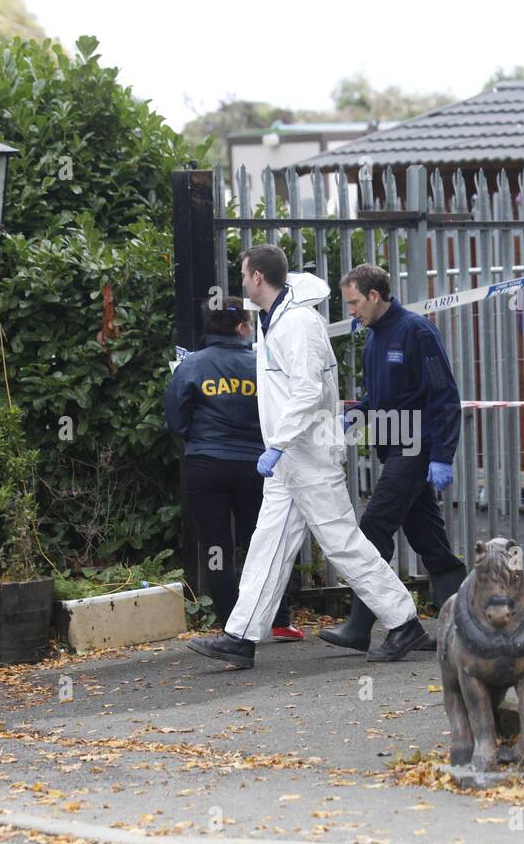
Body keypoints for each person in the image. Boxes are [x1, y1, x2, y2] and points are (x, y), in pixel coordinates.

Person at [185, 245, 430, 670]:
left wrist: (278, 442)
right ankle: (240, 635)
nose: (241, 282)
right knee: (269, 542)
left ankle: (404, 621)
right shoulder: (276, 319)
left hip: (306, 454)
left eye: (244, 274)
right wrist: (279, 448)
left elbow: (307, 390)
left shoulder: (296, 323)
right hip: (291, 456)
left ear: (258, 277)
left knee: (341, 542)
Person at [318, 264, 466, 652]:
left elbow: (444, 396)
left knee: (374, 526)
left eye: (353, 302)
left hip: (416, 447)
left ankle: (366, 626)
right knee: (428, 539)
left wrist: (443, 455)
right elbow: (378, 398)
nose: (350, 311)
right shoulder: (373, 339)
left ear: (374, 295)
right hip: (395, 446)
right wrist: (357, 413)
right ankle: (468, 628)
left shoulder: (416, 332)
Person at [164, 298, 304, 641]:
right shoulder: (261, 364)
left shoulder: (193, 366)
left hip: (206, 464)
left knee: (216, 547)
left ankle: (231, 626)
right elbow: (283, 411)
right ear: (243, 326)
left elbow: (175, 417)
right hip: (255, 467)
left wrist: (197, 439)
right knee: (263, 542)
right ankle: (278, 619)